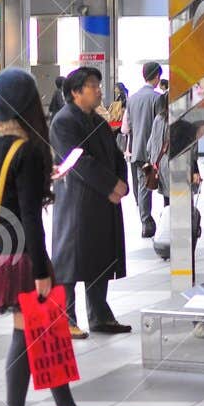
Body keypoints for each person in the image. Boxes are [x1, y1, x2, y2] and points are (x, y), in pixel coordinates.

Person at [0, 69, 108, 406]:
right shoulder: (27, 149)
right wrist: (40, 270)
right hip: (26, 258)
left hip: (4, 254)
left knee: (47, 331)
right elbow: (30, 217)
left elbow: (3, 204)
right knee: (25, 335)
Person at [50, 66, 131, 338]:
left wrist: (121, 183)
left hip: (103, 201)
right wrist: (111, 185)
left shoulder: (97, 121)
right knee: (70, 261)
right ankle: (65, 318)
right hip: (77, 202)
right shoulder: (63, 121)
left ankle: (100, 315)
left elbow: (117, 155)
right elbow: (78, 161)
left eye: (97, 84)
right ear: (75, 92)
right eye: (92, 86)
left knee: (99, 257)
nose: (98, 90)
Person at [125, 62, 165, 239]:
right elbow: (160, 126)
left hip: (137, 150)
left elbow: (129, 126)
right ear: (156, 76)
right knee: (164, 184)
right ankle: (167, 220)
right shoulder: (157, 99)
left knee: (142, 187)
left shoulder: (132, 98)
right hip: (155, 152)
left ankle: (146, 223)